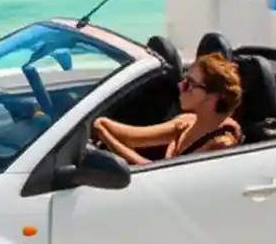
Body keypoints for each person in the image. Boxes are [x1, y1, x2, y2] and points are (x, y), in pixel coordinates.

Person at [92, 52, 244, 166]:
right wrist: (94, 120)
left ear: (212, 96)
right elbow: (132, 138)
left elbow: (163, 173)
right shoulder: (187, 123)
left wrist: (103, 132)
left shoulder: (220, 145)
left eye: (189, 83)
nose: (180, 86)